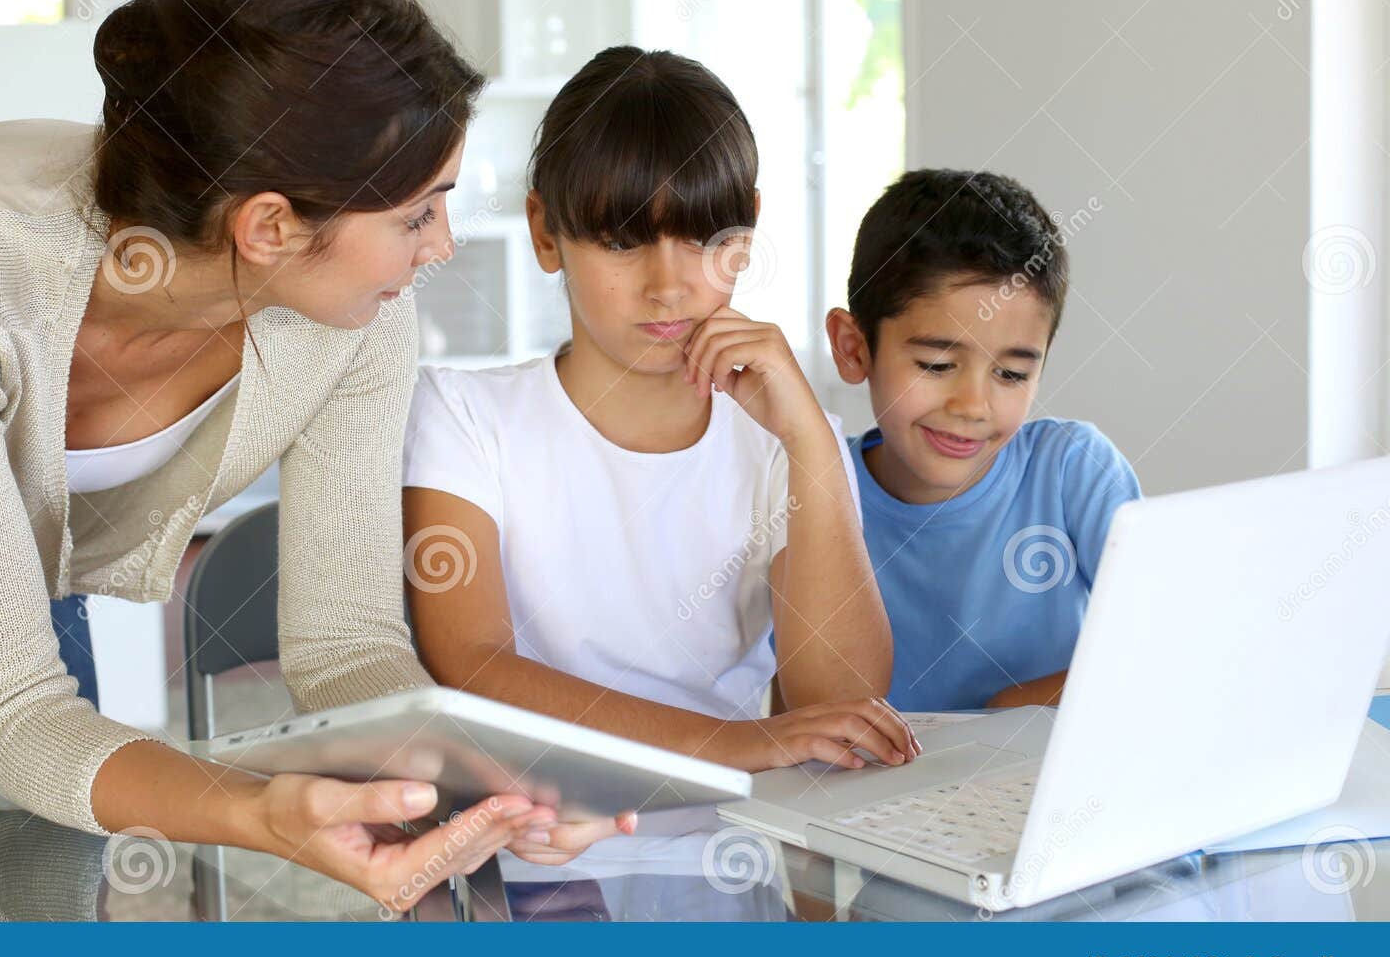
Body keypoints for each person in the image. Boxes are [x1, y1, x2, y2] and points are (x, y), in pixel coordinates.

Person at [0, 0, 565, 912]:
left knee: (48, 864)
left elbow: (344, 642)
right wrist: (258, 810)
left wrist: (463, 776)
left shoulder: (359, 322)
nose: (441, 247)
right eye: (418, 213)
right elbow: (14, 711)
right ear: (270, 226)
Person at [401, 47, 919, 867]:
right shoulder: (465, 415)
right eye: (622, 242)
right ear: (546, 232)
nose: (667, 285)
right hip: (536, 853)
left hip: (739, 855)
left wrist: (813, 443)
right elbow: (474, 665)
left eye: (703, 238)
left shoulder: (788, 437)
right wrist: (738, 744)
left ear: (746, 228)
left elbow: (841, 702)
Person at [824, 169, 1142, 710]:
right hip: (875, 794)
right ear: (855, 349)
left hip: (1046, 789)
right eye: (937, 364)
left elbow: (1164, 648)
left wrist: (1004, 713)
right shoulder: (815, 496)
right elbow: (802, 717)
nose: (972, 406)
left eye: (1012, 375)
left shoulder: (1072, 472)